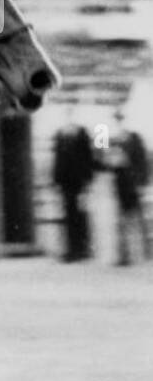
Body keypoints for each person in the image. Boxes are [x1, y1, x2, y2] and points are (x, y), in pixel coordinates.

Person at [103, 108, 149, 265]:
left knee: (138, 219)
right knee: (121, 220)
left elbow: (143, 162)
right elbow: (103, 160)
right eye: (116, 120)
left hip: (134, 184)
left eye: (120, 119)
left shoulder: (134, 138)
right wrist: (111, 161)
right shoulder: (111, 140)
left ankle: (146, 252)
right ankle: (124, 255)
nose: (118, 122)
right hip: (120, 185)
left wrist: (142, 183)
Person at [51, 106, 97, 262]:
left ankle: (81, 249)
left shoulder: (81, 133)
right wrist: (56, 180)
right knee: (69, 216)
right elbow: (57, 159)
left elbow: (89, 157)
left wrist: (88, 180)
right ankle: (72, 250)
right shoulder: (60, 134)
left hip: (79, 182)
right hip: (66, 183)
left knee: (79, 216)